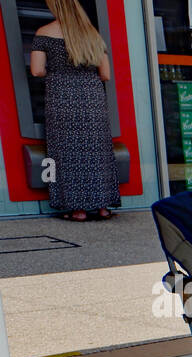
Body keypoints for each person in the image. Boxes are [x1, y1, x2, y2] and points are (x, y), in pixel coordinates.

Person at [29, 0, 119, 222]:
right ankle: (102, 207)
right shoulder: (92, 34)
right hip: (92, 98)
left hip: (62, 96)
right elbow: (106, 74)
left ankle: (77, 209)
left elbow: (37, 70)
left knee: (67, 152)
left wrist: (58, 73)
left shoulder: (44, 33)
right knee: (97, 151)